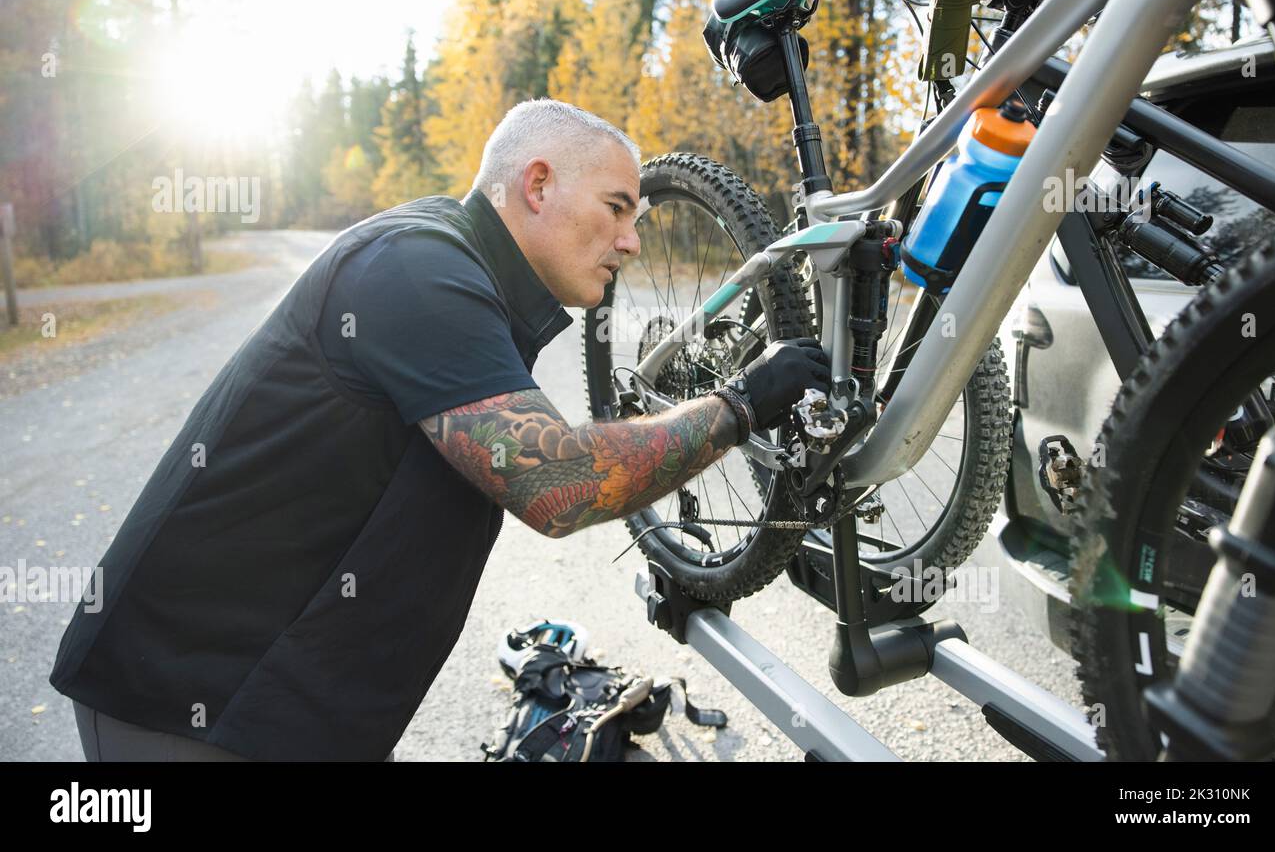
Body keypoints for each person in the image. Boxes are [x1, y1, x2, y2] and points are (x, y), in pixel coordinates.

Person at [49, 98, 830, 761]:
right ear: (537, 185)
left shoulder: (464, 273)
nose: (630, 240)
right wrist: (740, 405)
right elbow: (558, 482)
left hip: (284, 707)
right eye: (617, 208)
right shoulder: (418, 270)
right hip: (188, 702)